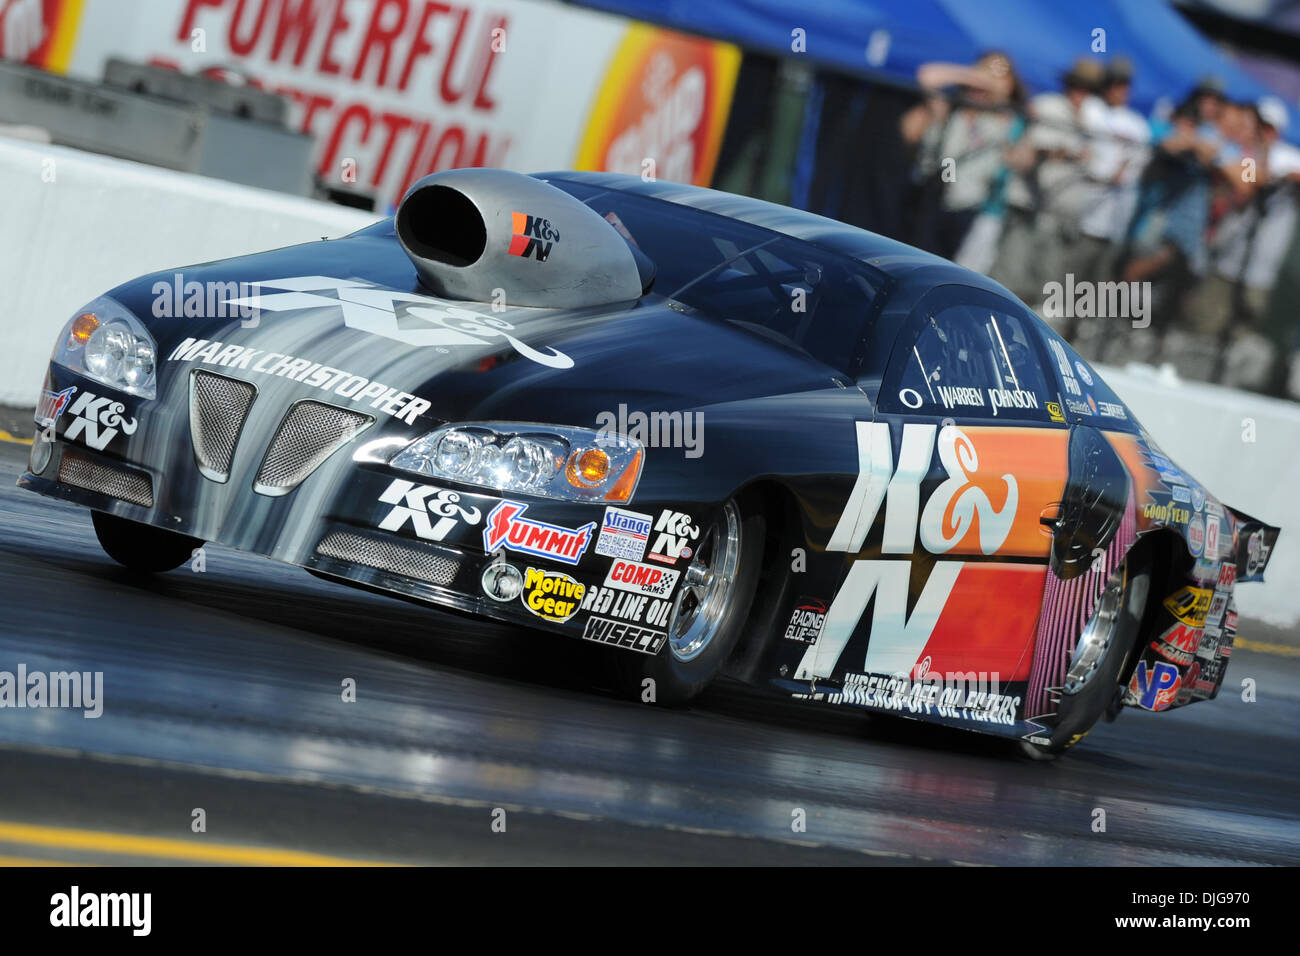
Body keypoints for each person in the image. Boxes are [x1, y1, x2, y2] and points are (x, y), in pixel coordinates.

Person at [989, 57, 1106, 305]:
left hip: (1057, 215)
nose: (1081, 93)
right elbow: (1036, 149)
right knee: (1009, 277)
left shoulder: (1093, 118)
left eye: (1088, 88)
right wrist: (1068, 153)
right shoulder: (1048, 106)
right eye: (1078, 86)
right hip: (1027, 205)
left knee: (1043, 284)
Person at [900, 51, 1027, 262]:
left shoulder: (1005, 121)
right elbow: (928, 76)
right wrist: (974, 76)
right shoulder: (950, 108)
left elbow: (1021, 158)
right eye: (986, 70)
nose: (987, 81)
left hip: (967, 207)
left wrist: (994, 85)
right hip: (929, 198)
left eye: (1000, 74)